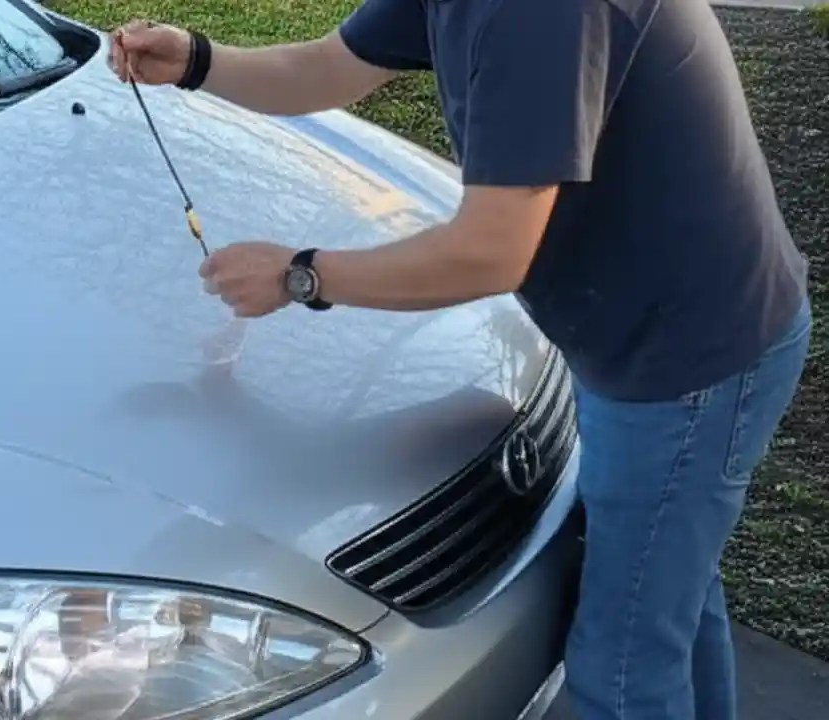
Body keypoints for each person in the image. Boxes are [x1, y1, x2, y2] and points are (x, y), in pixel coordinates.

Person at [108, 2, 811, 719]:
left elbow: (492, 251)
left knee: (620, 670)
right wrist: (196, 60)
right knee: (671, 612)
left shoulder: (538, 14)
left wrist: (300, 275)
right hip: (643, 339)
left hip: (686, 366)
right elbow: (325, 67)